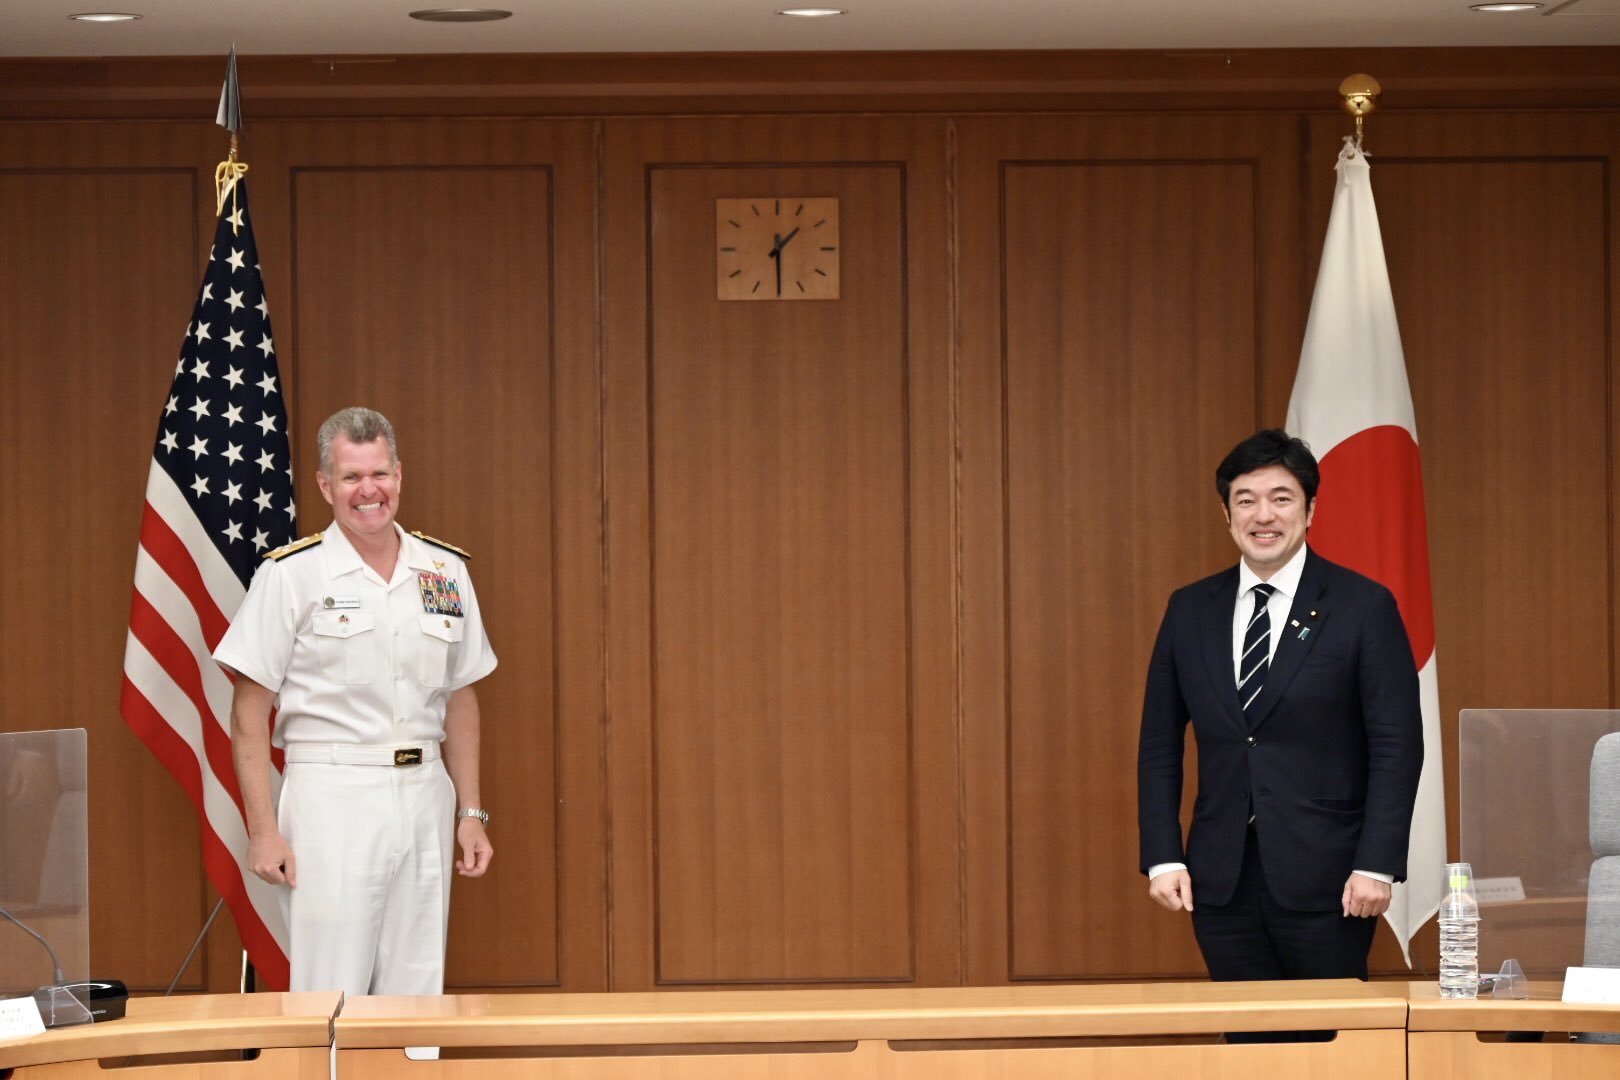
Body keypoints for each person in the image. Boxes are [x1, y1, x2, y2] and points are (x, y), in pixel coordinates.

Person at [215, 406, 496, 996]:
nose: (369, 491)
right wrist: (263, 829)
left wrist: (470, 812)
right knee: (331, 992)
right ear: (325, 485)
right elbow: (247, 712)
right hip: (330, 801)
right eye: (351, 477)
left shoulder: (443, 571)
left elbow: (462, 696)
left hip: (425, 793)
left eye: (380, 474)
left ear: (400, 475)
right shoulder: (292, 576)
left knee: (417, 987)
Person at [1137, 428, 1423, 985]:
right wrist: (1164, 855)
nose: (1262, 515)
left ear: (1310, 510)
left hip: (1332, 880)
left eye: (1281, 498)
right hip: (1219, 880)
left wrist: (1376, 863)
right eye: (1245, 500)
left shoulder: (1363, 607)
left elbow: (1397, 745)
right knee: (1249, 1044)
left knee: (1331, 1054)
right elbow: (1159, 744)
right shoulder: (1190, 609)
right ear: (1226, 514)